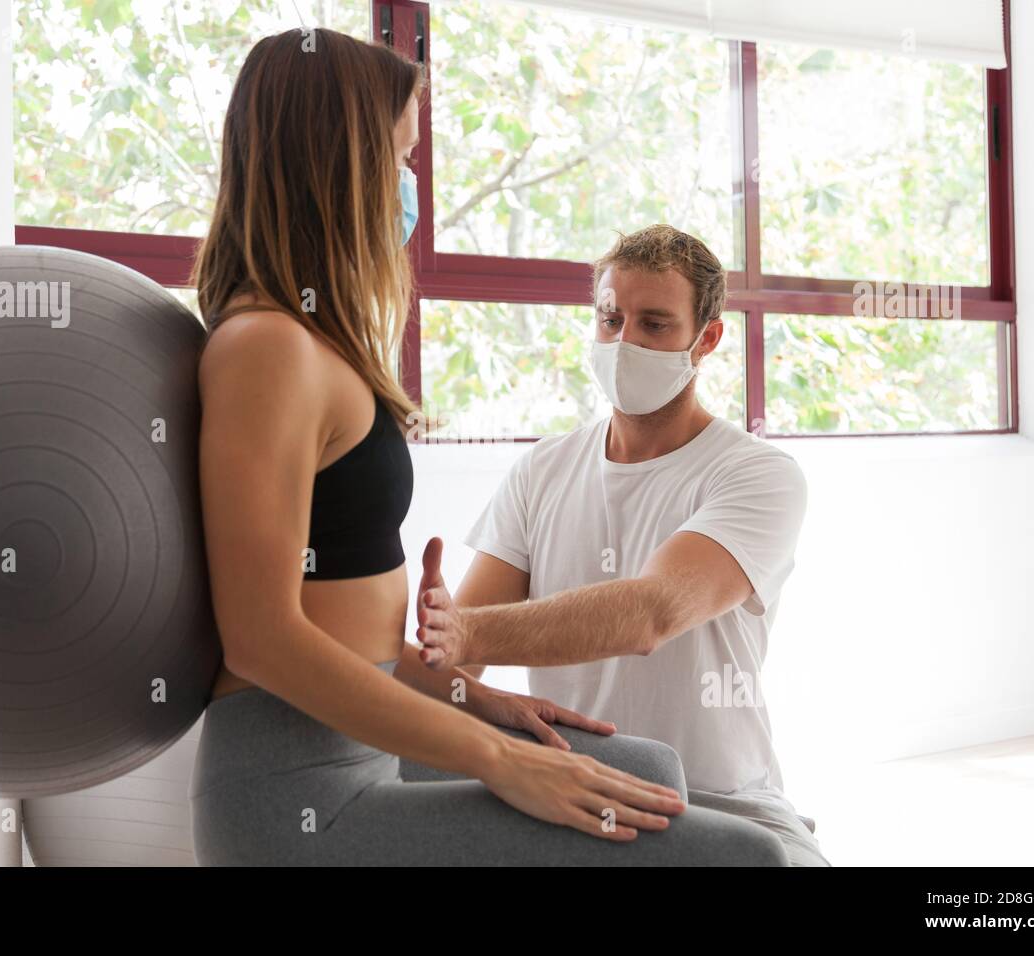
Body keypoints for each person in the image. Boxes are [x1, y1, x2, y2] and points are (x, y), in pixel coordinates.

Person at [187, 27, 787, 866]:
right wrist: (493, 756)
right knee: (741, 858)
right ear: (340, 164)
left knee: (651, 769)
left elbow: (648, 610)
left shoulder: (307, 343)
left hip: (353, 742)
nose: (407, 184)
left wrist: (474, 696)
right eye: (398, 158)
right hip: (296, 790)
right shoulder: (269, 349)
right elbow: (260, 637)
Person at [392, 225, 830, 867]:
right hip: (575, 790)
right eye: (611, 319)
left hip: (723, 800)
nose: (625, 342)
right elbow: (456, 672)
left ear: (705, 339)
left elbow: (650, 614)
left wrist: (463, 633)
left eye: (654, 325)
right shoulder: (542, 470)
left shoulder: (756, 474)